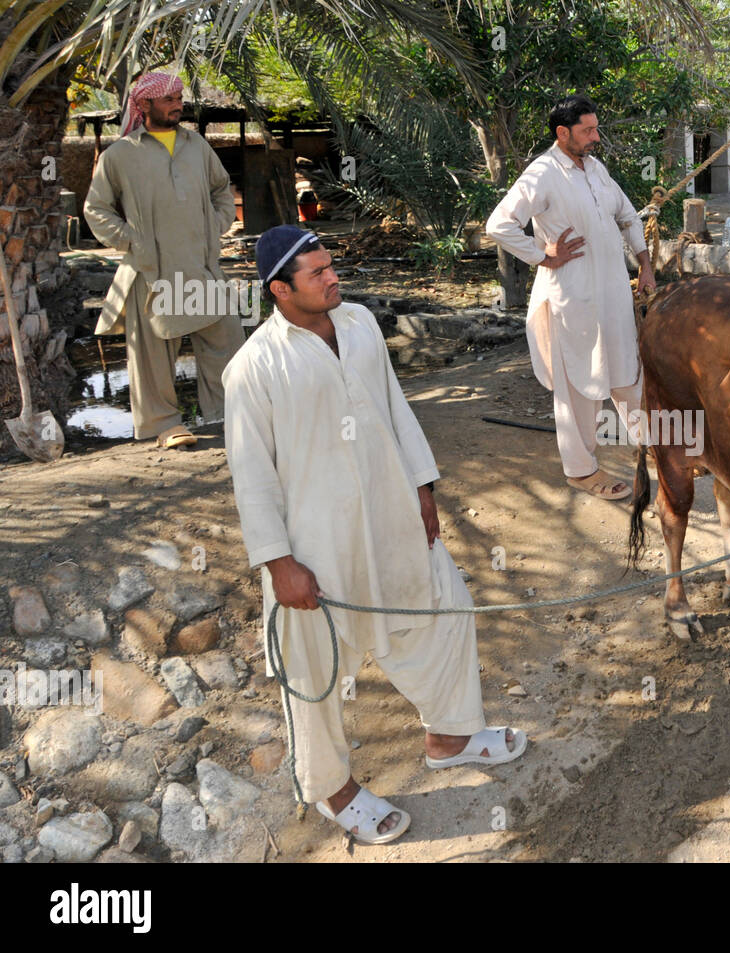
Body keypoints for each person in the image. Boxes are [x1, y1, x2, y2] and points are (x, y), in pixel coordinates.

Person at [222, 226, 526, 845]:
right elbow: (250, 474)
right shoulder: (252, 368)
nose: (333, 277)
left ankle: (450, 735)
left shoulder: (358, 323)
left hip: (390, 513)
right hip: (313, 543)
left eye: (331, 266)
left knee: (444, 608)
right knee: (313, 669)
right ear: (280, 290)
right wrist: (280, 564)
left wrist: (421, 488)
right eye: (317, 273)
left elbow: (394, 409)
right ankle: (334, 790)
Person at [486, 95, 655, 500]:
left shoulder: (596, 169)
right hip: (572, 301)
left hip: (613, 295)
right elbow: (499, 224)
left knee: (628, 374)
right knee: (578, 387)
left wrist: (645, 265)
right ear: (562, 133)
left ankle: (655, 447)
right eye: (587, 130)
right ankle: (581, 470)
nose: (596, 137)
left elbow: (628, 215)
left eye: (596, 128)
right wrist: (543, 255)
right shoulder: (542, 174)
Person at [84, 72, 244, 448]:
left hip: (202, 267)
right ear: (144, 104)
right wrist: (131, 241)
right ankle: (163, 425)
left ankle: (228, 414)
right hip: (151, 271)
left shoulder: (197, 145)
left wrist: (217, 224)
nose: (177, 104)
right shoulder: (120, 155)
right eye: (168, 98)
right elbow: (96, 209)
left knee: (226, 342)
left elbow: (222, 189)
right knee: (152, 356)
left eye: (178, 97)